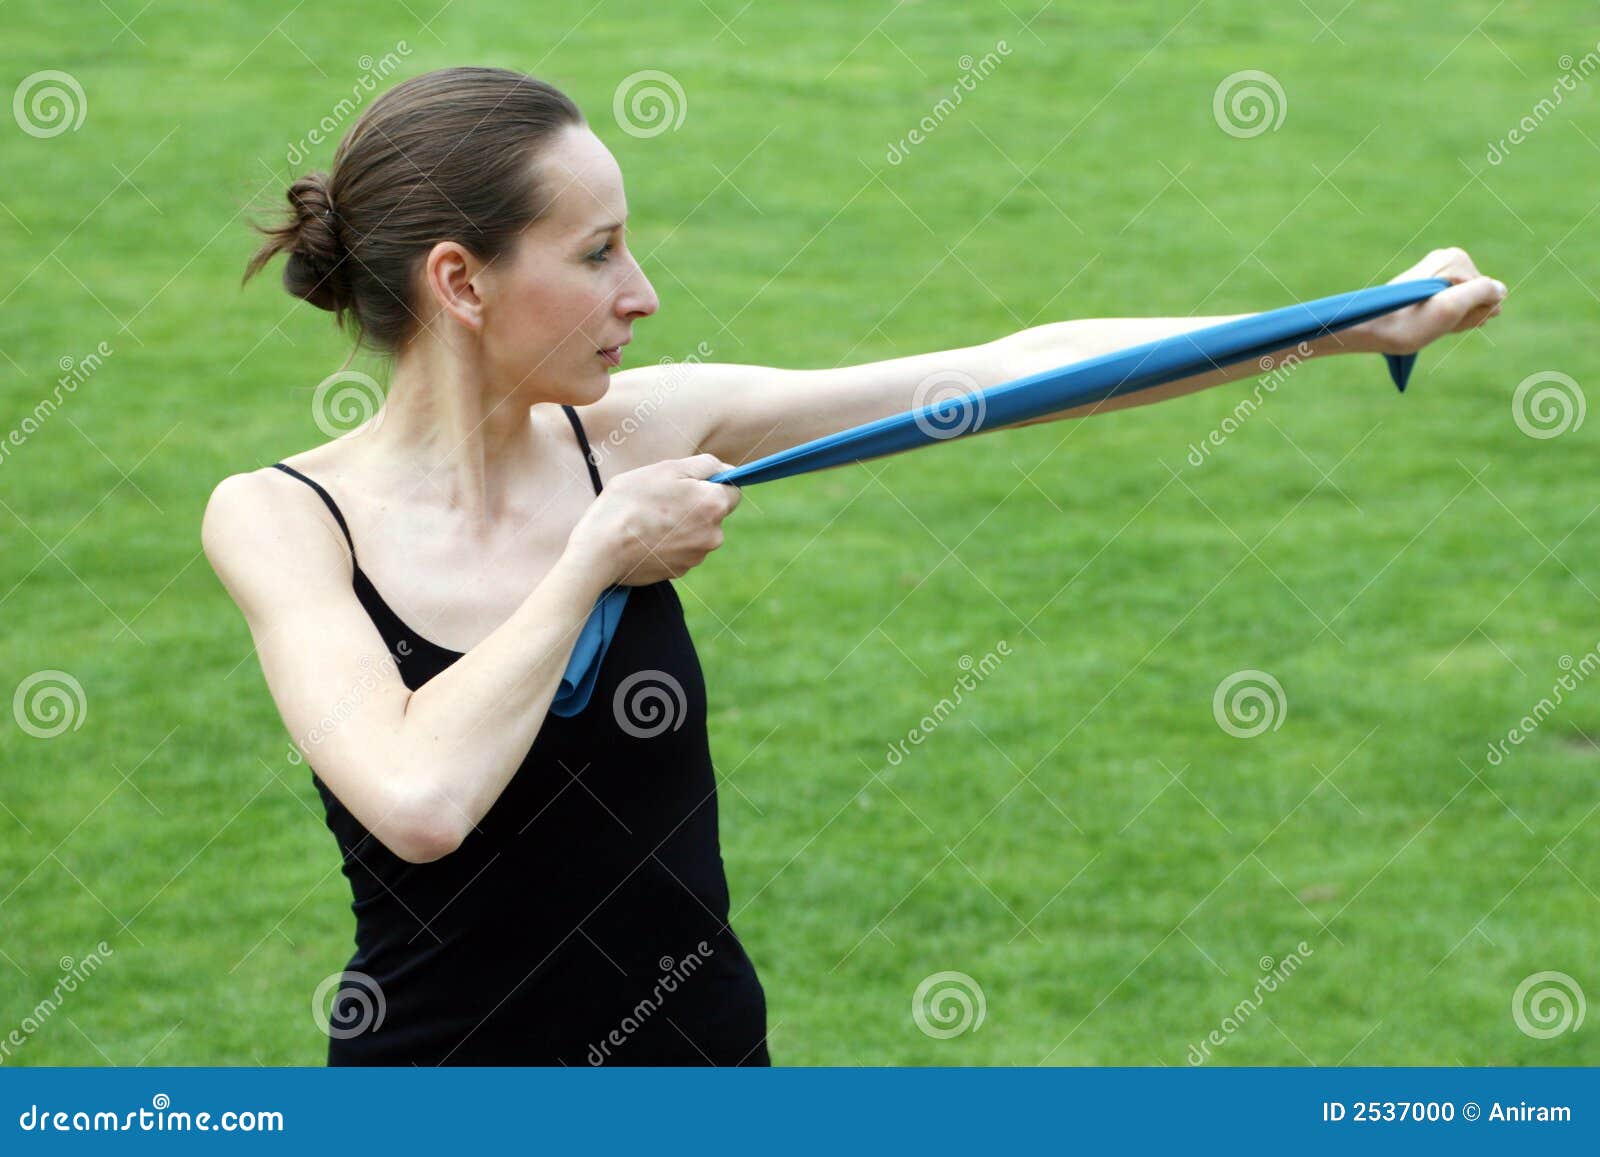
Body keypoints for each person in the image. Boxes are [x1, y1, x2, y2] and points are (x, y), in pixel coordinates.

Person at [201, 65, 1506, 1066]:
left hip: (703, 1060)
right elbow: (421, 795)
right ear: (461, 282)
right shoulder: (282, 518)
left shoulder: (639, 432)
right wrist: (597, 558)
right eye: (596, 252)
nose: (641, 290)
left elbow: (999, 374)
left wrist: (1349, 322)